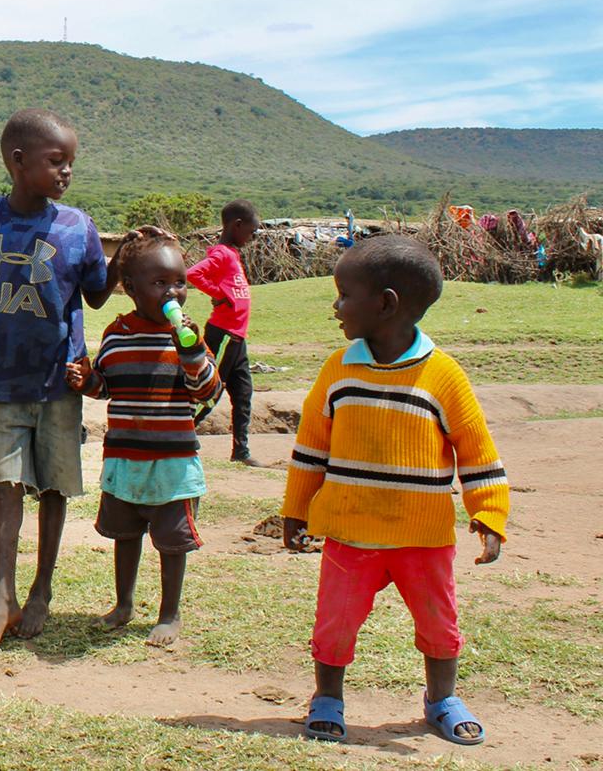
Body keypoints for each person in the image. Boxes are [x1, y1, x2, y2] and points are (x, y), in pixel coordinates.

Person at [281, 235, 509, 746]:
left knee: (438, 621)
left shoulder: (443, 377)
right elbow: (312, 448)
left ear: (385, 303)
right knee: (335, 623)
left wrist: (489, 514)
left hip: (421, 536)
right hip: (349, 530)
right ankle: (328, 699)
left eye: (344, 294)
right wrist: (295, 511)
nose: (335, 306)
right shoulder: (338, 370)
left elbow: (476, 451)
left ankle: (441, 700)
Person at [0, 108, 112, 657]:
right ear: (18, 162)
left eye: (70, 164)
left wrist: (127, 253)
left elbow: (94, 295)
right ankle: (1, 598)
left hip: (59, 380)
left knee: (55, 488)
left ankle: (42, 589)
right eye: (56, 161)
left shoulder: (77, 226)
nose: (66, 173)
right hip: (3, 379)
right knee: (6, 486)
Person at [67, 229, 220, 647]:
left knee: (172, 543)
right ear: (130, 289)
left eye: (179, 282)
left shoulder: (189, 338)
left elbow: (209, 392)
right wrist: (87, 379)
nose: (174, 292)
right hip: (125, 459)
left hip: (173, 464)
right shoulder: (118, 335)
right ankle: (123, 605)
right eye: (160, 284)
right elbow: (109, 386)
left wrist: (191, 352)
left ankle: (170, 614)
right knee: (125, 534)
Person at [186, 199, 265, 465]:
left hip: (237, 338)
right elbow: (194, 274)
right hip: (223, 335)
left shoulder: (233, 255)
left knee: (243, 393)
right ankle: (180, 434)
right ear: (237, 225)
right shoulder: (221, 253)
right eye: (251, 231)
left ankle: (240, 451)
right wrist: (219, 295)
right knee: (209, 390)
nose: (252, 237)